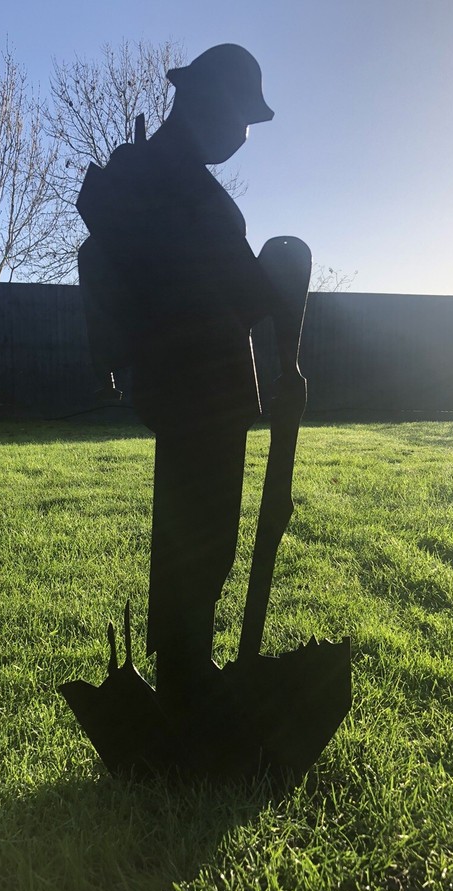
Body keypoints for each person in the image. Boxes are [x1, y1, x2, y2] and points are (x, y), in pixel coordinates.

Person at [77, 44, 289, 712]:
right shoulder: (166, 178)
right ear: (208, 104)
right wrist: (276, 281)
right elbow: (229, 282)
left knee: (197, 532)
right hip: (196, 381)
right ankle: (187, 678)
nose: (244, 137)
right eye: (243, 120)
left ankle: (187, 666)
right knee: (198, 533)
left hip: (196, 382)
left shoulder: (161, 173)